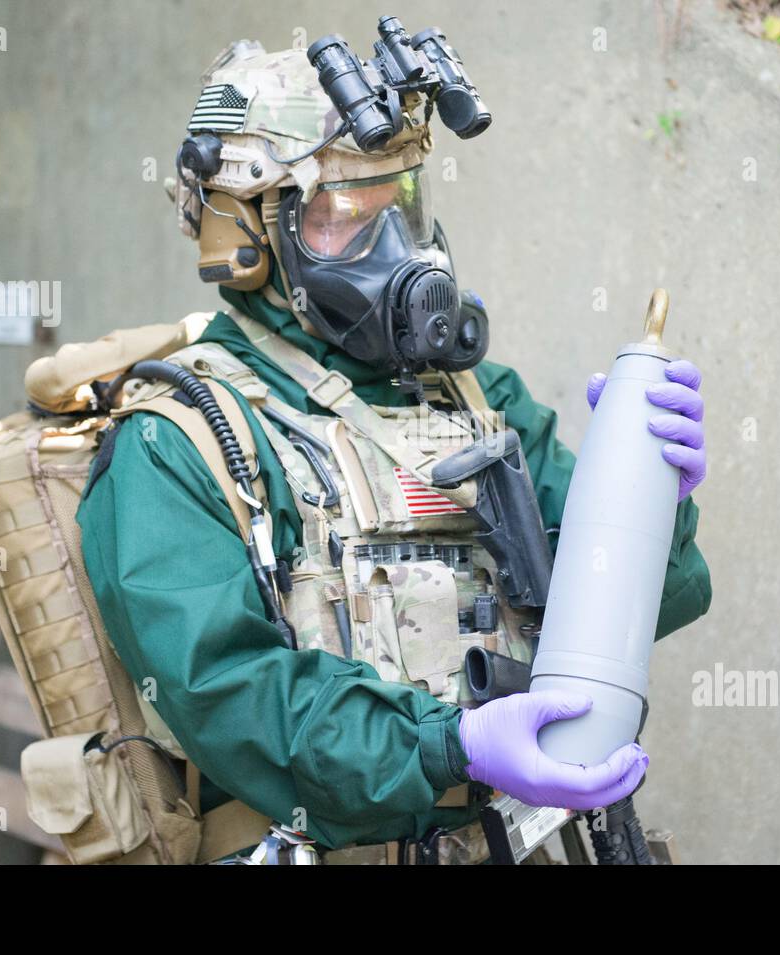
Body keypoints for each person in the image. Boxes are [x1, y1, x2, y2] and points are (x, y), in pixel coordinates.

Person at [75, 39, 710, 863]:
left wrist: (649, 487)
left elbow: (632, 609)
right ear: (247, 235)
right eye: (342, 215)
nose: (398, 252)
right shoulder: (174, 444)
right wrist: (452, 748)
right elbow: (237, 702)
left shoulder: (481, 399)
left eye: (401, 205)